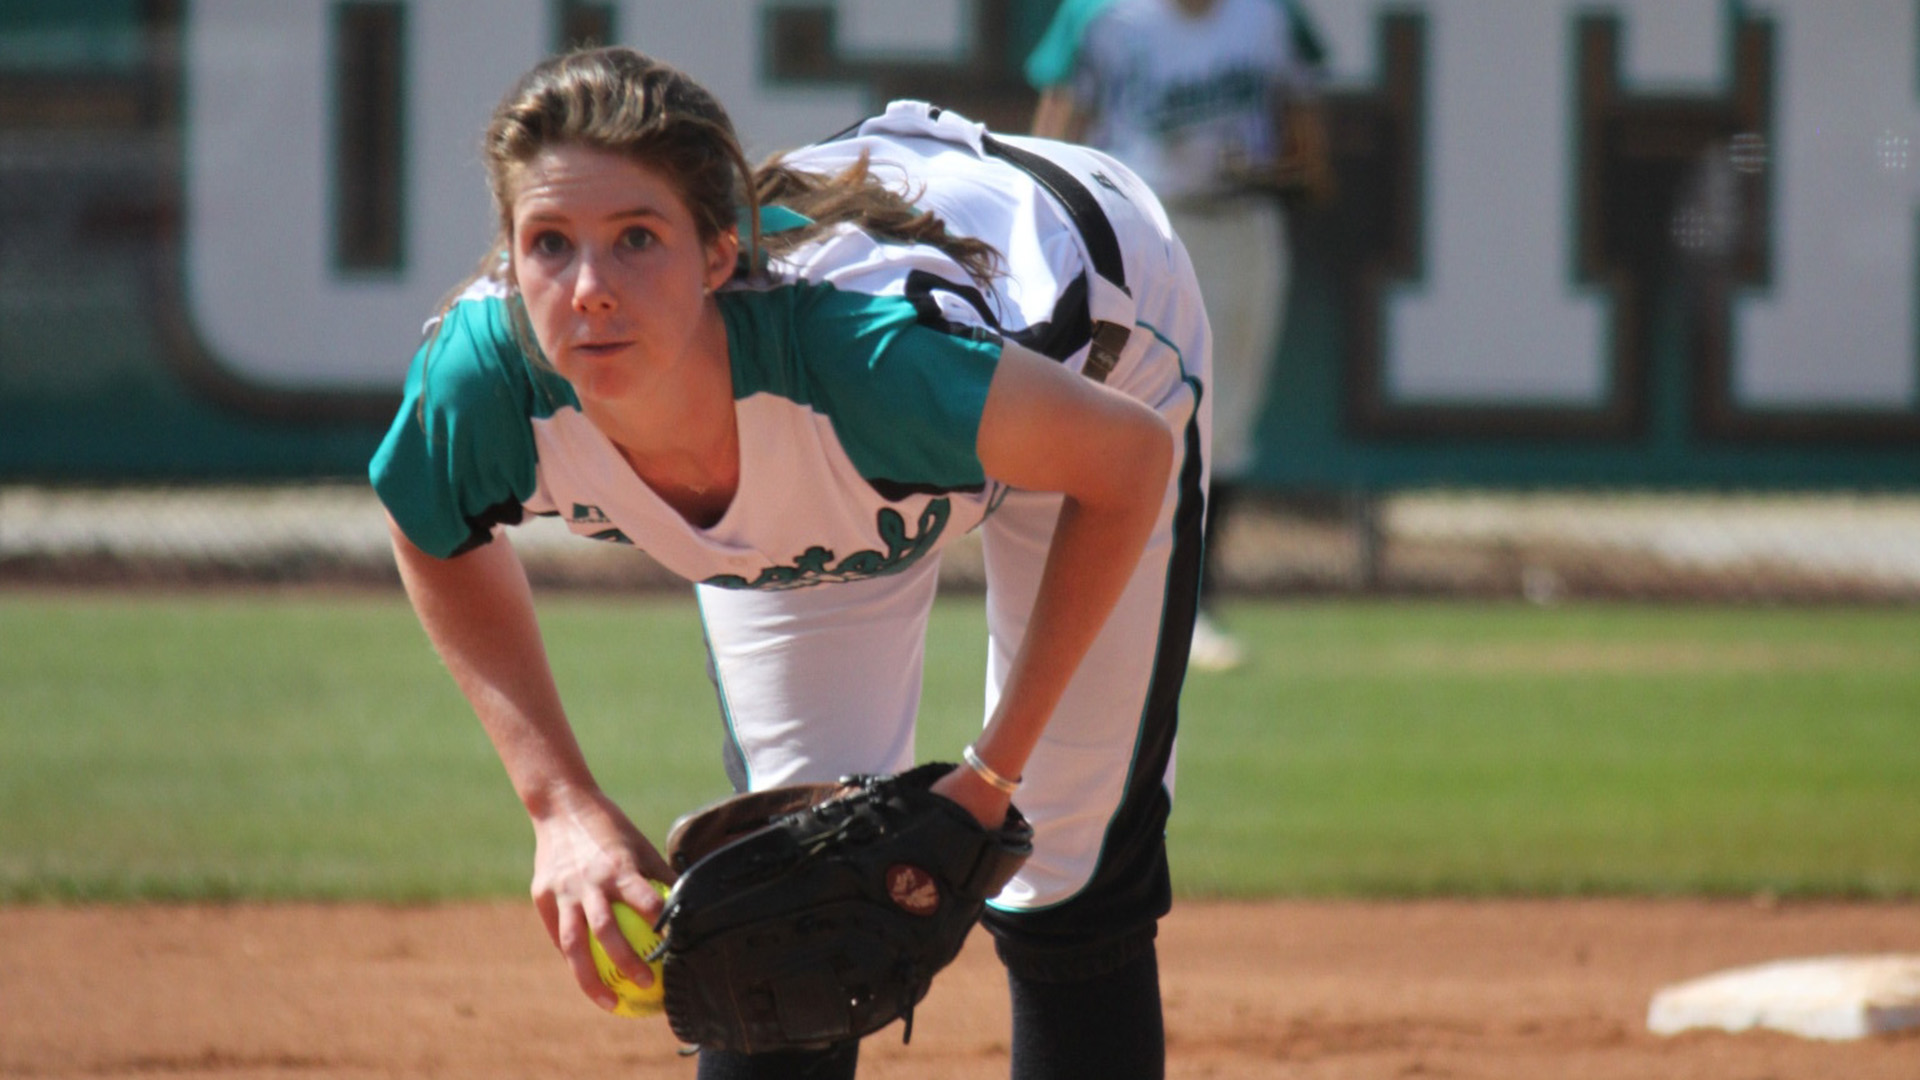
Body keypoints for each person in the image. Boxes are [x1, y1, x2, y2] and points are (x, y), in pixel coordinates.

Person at [369, 46, 1211, 1080]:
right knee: (784, 905)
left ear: (716, 255)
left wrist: (988, 782)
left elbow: (1126, 464)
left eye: (637, 238)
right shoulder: (491, 379)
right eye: (549, 243)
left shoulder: (863, 365)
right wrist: (561, 805)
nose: (588, 289)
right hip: (890, 444)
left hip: (1098, 349)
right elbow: (428, 523)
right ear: (510, 251)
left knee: (1072, 867)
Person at [1028, 0, 1335, 671]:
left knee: (1220, 423)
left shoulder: (1269, 15)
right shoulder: (1101, 15)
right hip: (1130, 228)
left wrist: (1264, 170)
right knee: (1100, 407)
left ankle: (1191, 607)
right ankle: (1077, 599)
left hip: (1238, 227)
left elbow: (1308, 158)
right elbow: (1051, 137)